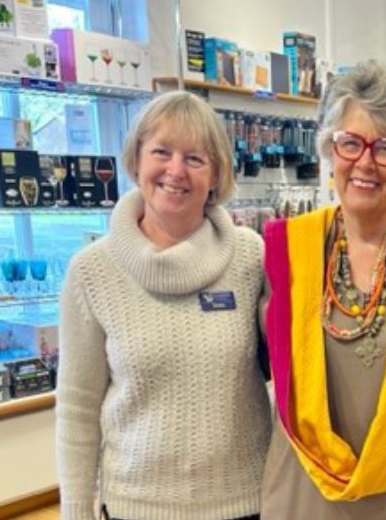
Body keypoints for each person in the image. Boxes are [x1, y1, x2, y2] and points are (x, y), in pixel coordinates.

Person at [260, 60, 386, 519]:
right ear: (330, 150)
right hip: (305, 498)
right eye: (350, 143)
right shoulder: (287, 250)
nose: (365, 163)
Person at [56, 91, 272, 520]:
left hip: (245, 502)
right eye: (161, 152)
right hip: (136, 508)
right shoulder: (92, 271)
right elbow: (78, 405)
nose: (176, 170)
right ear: (137, 161)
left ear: (215, 175)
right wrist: (76, 511)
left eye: (195, 158)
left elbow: (288, 370)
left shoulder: (251, 257)